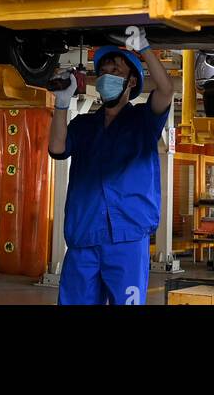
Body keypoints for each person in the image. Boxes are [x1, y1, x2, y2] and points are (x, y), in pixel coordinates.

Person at [48, 26, 174, 305]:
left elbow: (166, 89)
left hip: (127, 238)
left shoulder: (144, 121)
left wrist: (144, 48)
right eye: (104, 72)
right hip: (84, 236)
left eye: (116, 71)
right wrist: (61, 104)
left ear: (131, 82)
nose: (108, 77)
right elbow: (57, 148)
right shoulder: (83, 125)